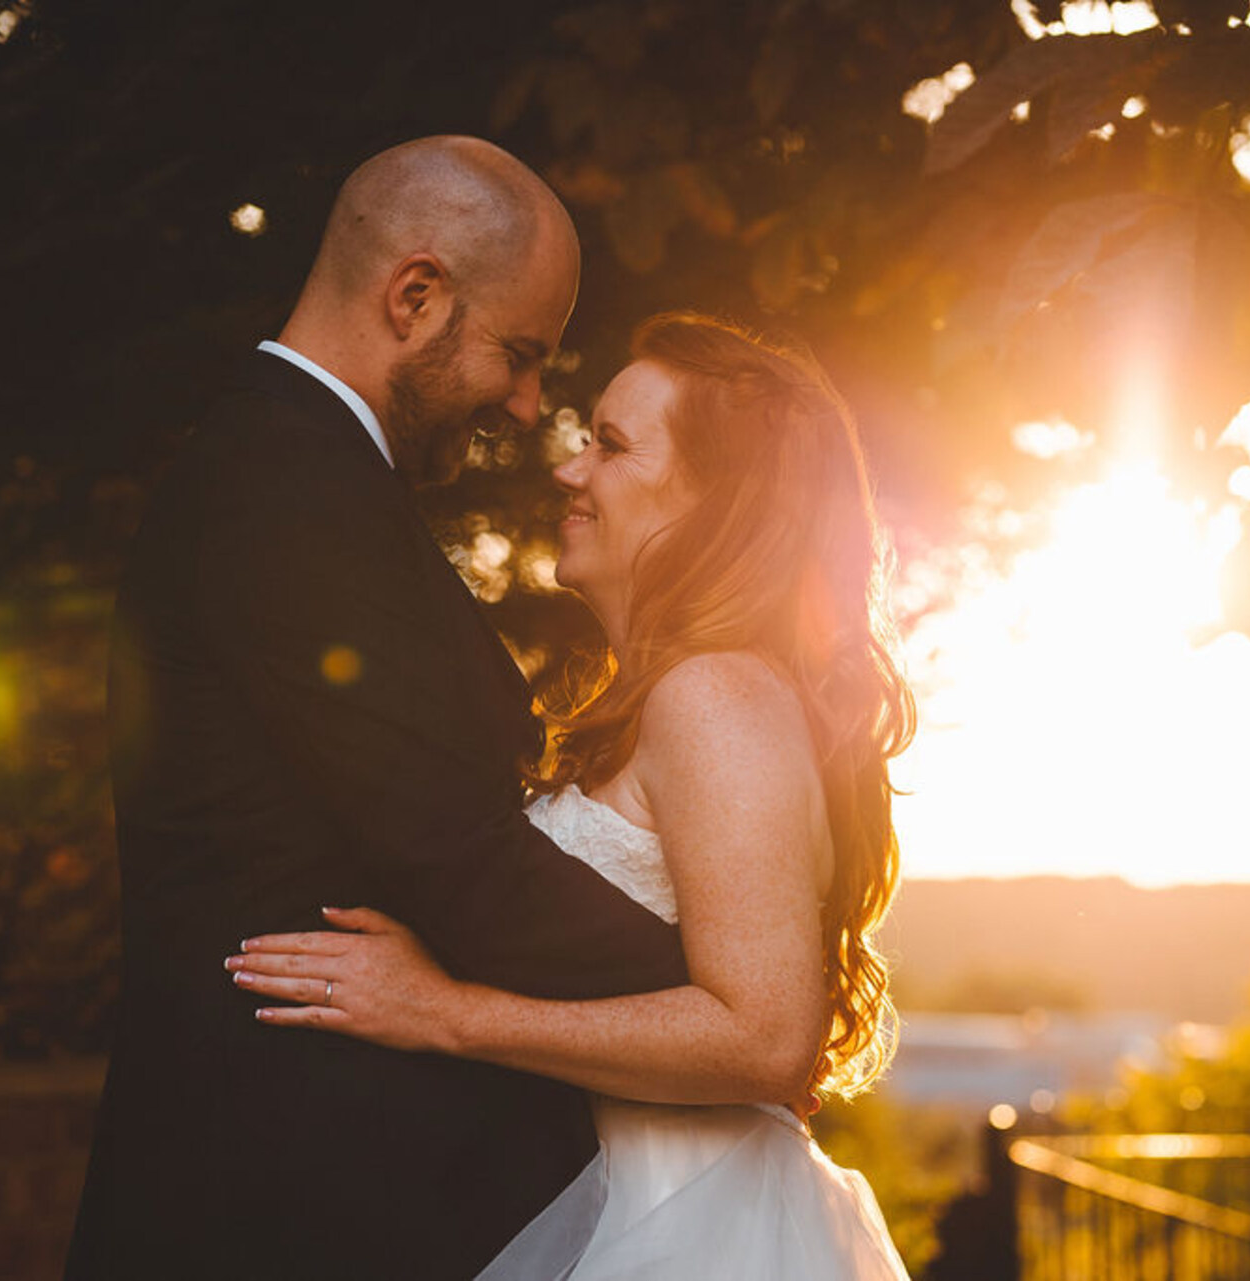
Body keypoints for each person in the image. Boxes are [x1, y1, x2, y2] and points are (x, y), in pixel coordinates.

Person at [64, 138, 691, 1280]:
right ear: (416, 295)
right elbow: (463, 861)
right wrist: (737, 1006)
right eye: (518, 353)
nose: (526, 400)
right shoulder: (288, 489)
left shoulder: (307, 476)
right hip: (282, 1203)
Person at [226, 313, 918, 1278]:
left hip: (686, 1224)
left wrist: (447, 1011)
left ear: (715, 503)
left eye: (613, 445)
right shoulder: (679, 698)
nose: (568, 469)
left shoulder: (715, 694)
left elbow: (765, 1036)